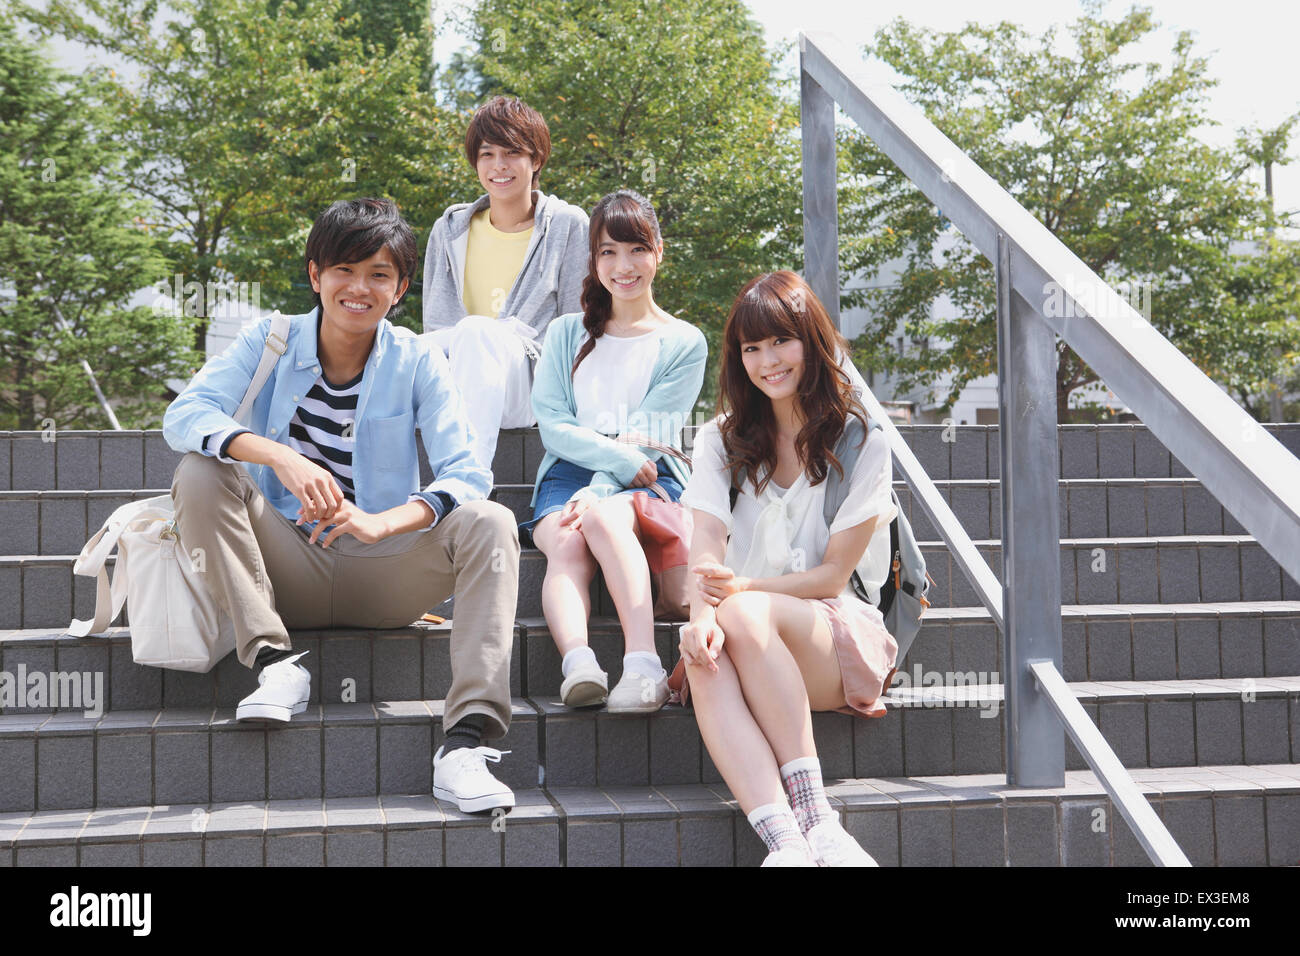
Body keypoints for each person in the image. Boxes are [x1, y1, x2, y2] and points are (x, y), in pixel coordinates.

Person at [164, 198, 520, 813]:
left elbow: (468, 472)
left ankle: (465, 744)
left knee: (491, 520)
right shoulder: (269, 340)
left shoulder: (416, 358)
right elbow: (184, 414)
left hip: (384, 572)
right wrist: (279, 455)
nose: (359, 288)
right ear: (315, 275)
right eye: (344, 270)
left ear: (401, 287)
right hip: (283, 570)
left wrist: (384, 522)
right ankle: (276, 663)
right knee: (199, 470)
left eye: (379, 274)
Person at [676, 270, 898, 866]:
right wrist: (699, 617)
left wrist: (741, 589)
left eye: (781, 341)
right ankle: (788, 844)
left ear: (812, 343)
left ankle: (821, 821)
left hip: (834, 634)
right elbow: (705, 542)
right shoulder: (719, 440)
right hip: (745, 631)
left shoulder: (861, 440)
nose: (767, 360)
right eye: (751, 347)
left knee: (740, 613)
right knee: (704, 651)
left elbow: (830, 577)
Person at [524, 190, 706, 712]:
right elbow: (553, 426)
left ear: (658, 252)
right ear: (593, 260)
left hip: (650, 474)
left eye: (635, 250)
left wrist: (602, 489)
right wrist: (595, 480)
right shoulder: (564, 333)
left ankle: (644, 665)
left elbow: (646, 433)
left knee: (601, 519)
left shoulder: (684, 341)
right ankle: (579, 663)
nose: (622, 266)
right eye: (607, 252)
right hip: (566, 471)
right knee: (566, 544)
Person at [422, 95, 589, 472]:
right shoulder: (448, 230)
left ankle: (465, 483)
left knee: (478, 333)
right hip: (456, 372)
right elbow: (435, 328)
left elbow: (577, 332)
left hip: (531, 386)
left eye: (512, 152)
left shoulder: (566, 225)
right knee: (388, 345)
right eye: (486, 154)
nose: (499, 166)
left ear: (537, 160)